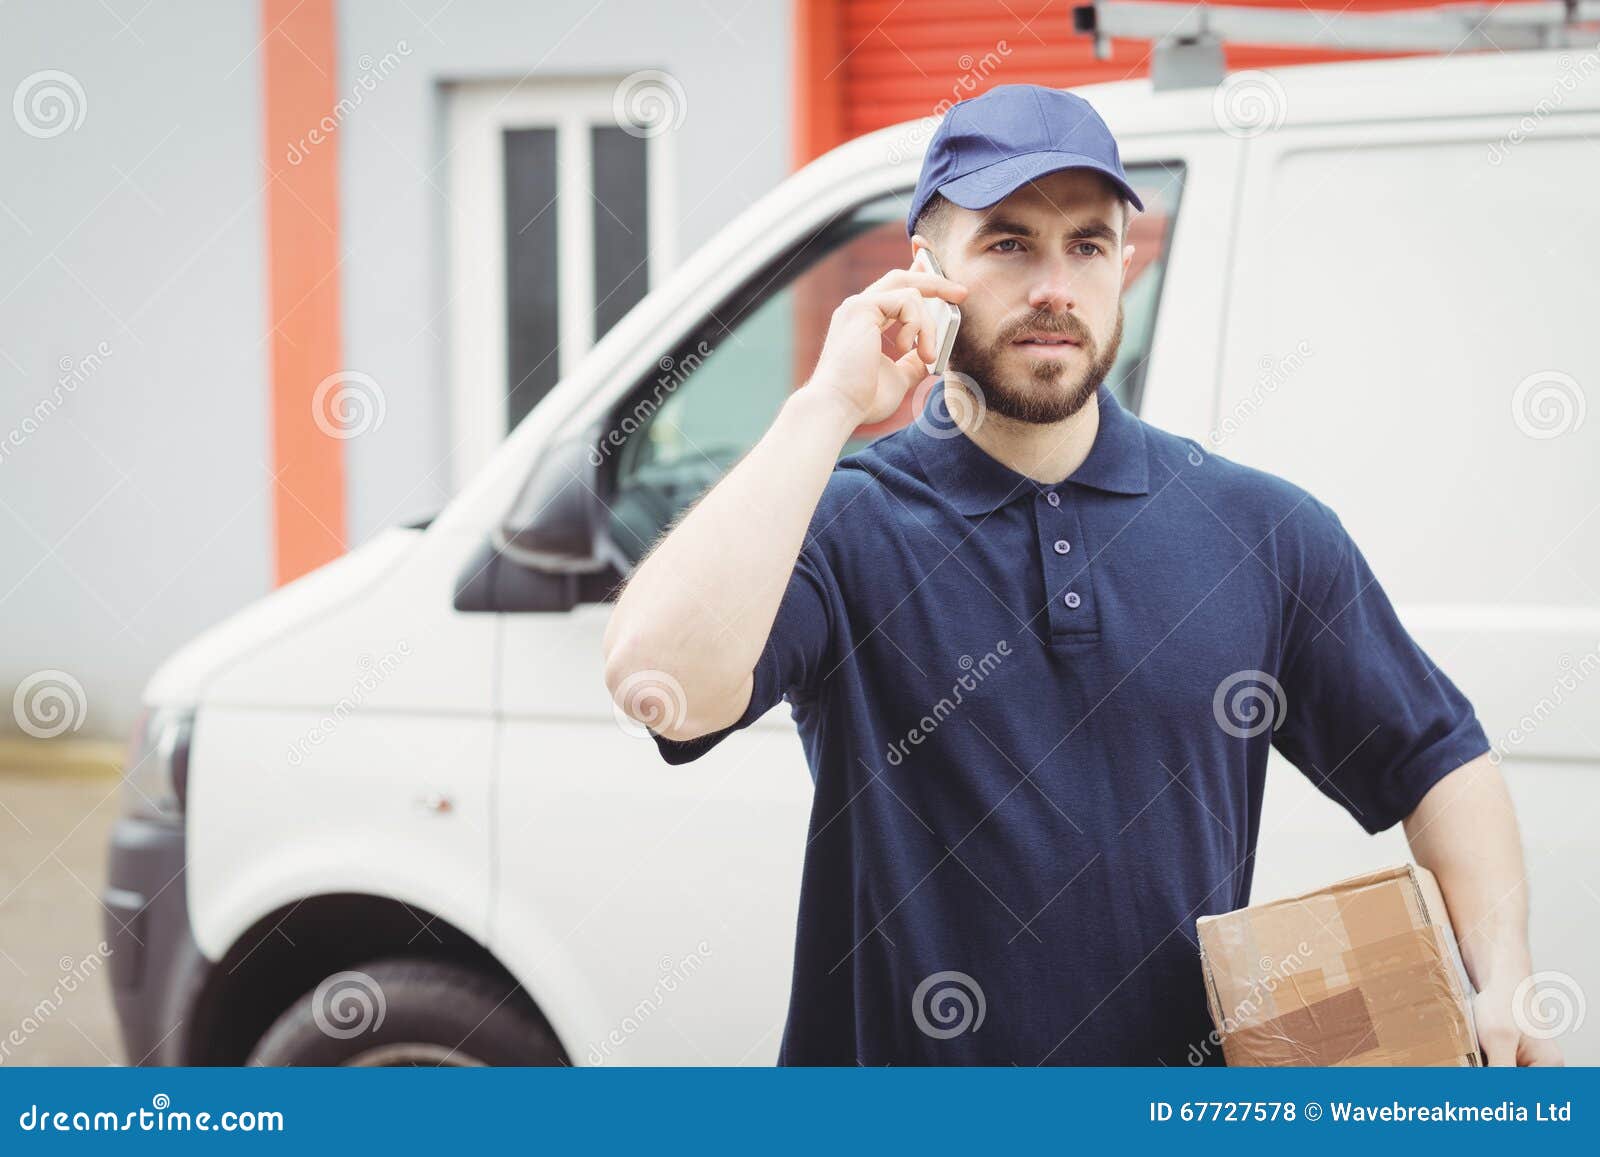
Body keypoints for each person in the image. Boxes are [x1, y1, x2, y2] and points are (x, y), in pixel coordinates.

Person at [602, 84, 1557, 1066]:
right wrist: (825, 406)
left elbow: (1438, 757)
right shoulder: (847, 518)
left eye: (1086, 245)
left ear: (1123, 270)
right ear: (927, 274)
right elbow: (661, 683)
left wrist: (1506, 973)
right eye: (1009, 243)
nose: (1053, 286)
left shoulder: (1260, 529)